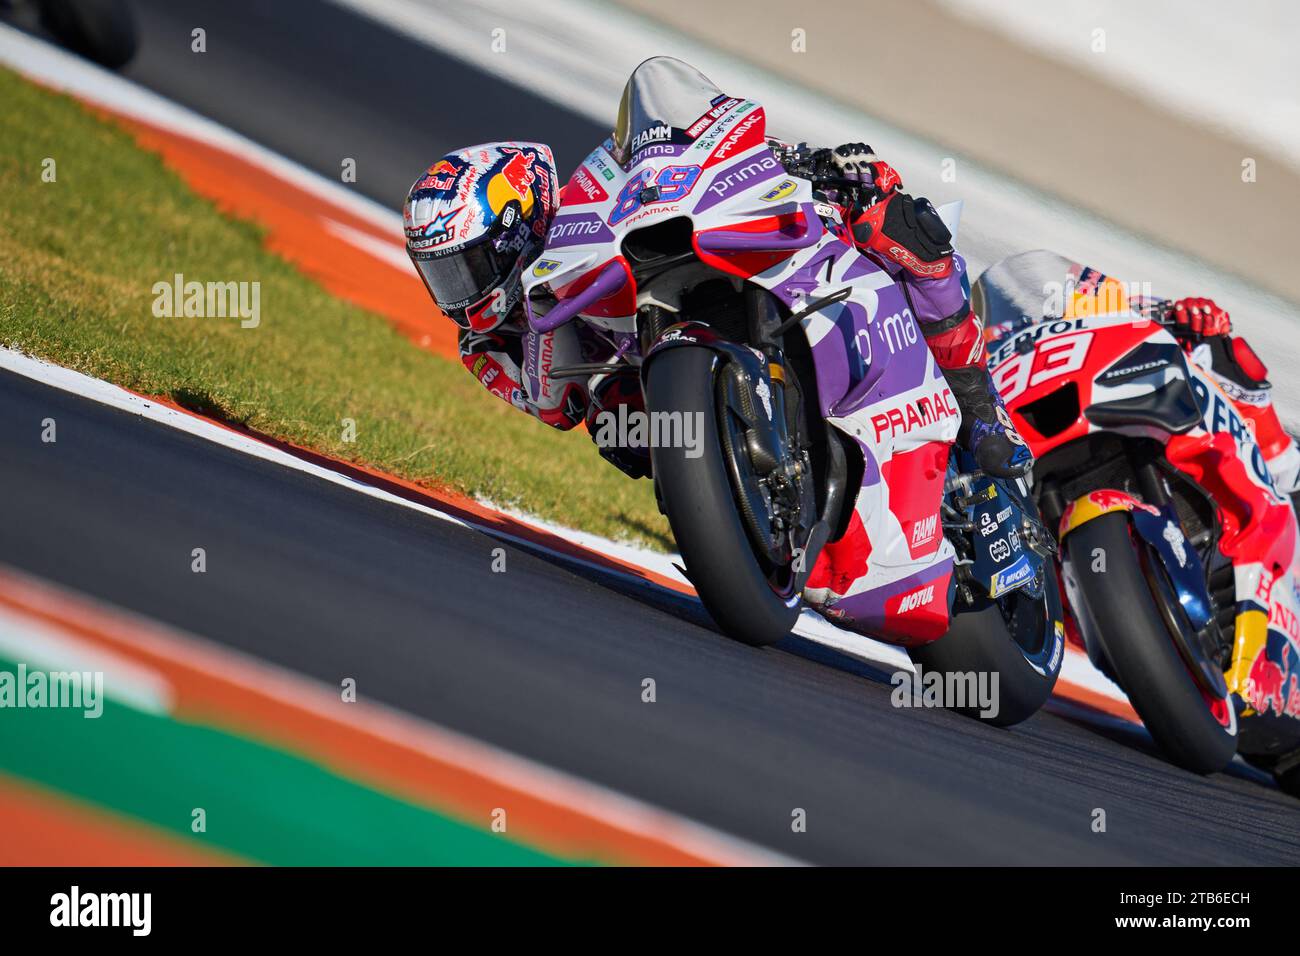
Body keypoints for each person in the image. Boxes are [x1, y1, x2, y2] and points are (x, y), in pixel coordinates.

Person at [403, 137, 1032, 480]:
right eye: (439, 275)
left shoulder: (586, 201)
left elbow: (672, 163)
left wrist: (800, 165)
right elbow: (556, 408)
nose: (456, 293)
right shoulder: (484, 347)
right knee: (622, 432)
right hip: (654, 397)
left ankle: (983, 413)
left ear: (516, 227)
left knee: (895, 220)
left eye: (465, 268)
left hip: (705, 282)